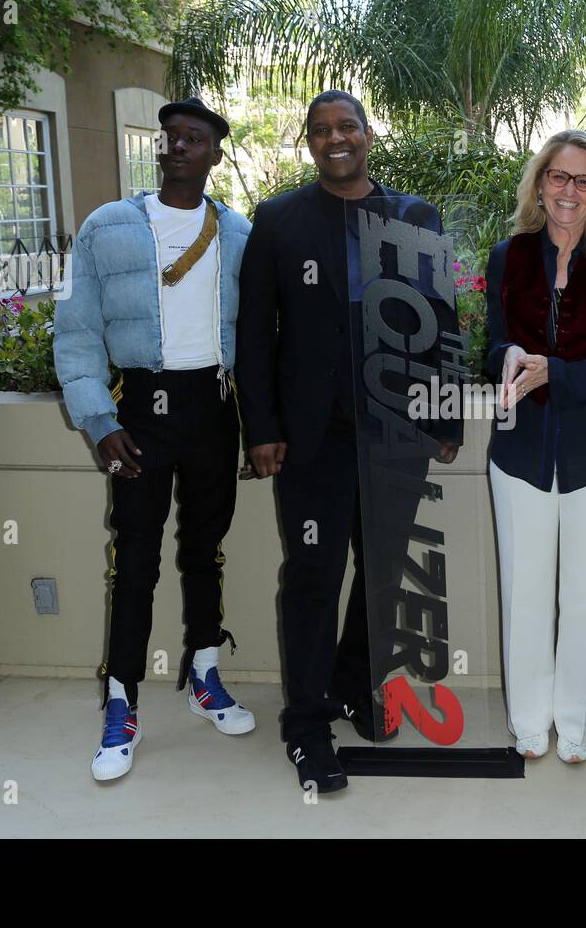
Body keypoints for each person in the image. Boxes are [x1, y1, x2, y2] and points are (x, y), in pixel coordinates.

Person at [237, 90, 460, 794]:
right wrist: (263, 430)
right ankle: (306, 727)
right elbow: (252, 337)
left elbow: (443, 320)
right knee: (312, 579)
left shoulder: (414, 218)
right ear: (309, 142)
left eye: (347, 127)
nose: (335, 138)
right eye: (320, 130)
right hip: (312, 442)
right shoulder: (277, 222)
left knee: (384, 574)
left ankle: (353, 683)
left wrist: (445, 419)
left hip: (396, 433)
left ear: (369, 135)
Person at [53, 97, 255, 782]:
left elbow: (260, 335)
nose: (176, 148)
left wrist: (262, 426)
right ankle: (121, 700)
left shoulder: (237, 233)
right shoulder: (107, 227)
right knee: (134, 557)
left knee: (206, 549)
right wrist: (99, 420)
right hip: (138, 408)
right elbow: (76, 332)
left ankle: (205, 671)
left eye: (193, 139)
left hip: (213, 408)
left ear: (214, 155)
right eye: (169, 138)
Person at [484, 130, 586, 765]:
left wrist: (561, 373)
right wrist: (513, 356)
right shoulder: (510, 255)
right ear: (540, 183)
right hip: (520, 449)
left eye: (583, 180)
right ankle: (529, 721)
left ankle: (574, 723)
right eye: (558, 177)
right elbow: (493, 345)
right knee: (523, 589)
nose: (569, 191)